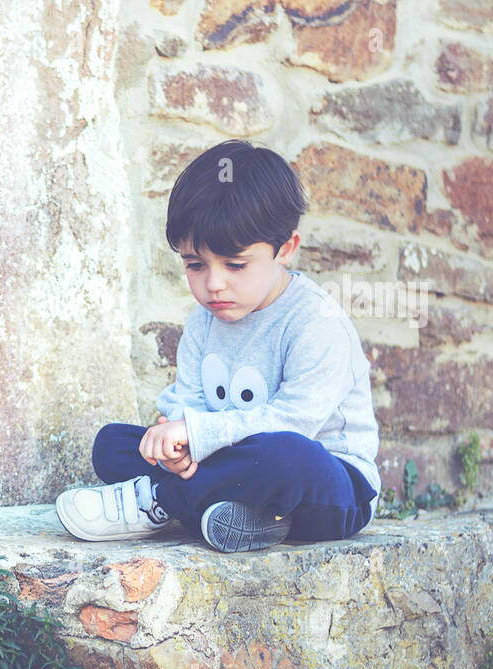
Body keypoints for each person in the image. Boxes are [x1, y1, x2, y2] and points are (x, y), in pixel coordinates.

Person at [55, 139, 381, 552]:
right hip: (233, 468)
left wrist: (193, 434)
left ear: (285, 248)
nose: (213, 284)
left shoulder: (316, 322)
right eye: (195, 264)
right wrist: (175, 438)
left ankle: (159, 500)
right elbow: (188, 399)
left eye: (235, 265)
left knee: (284, 455)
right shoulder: (203, 321)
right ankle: (246, 518)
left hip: (332, 489)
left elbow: (294, 423)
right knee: (113, 444)